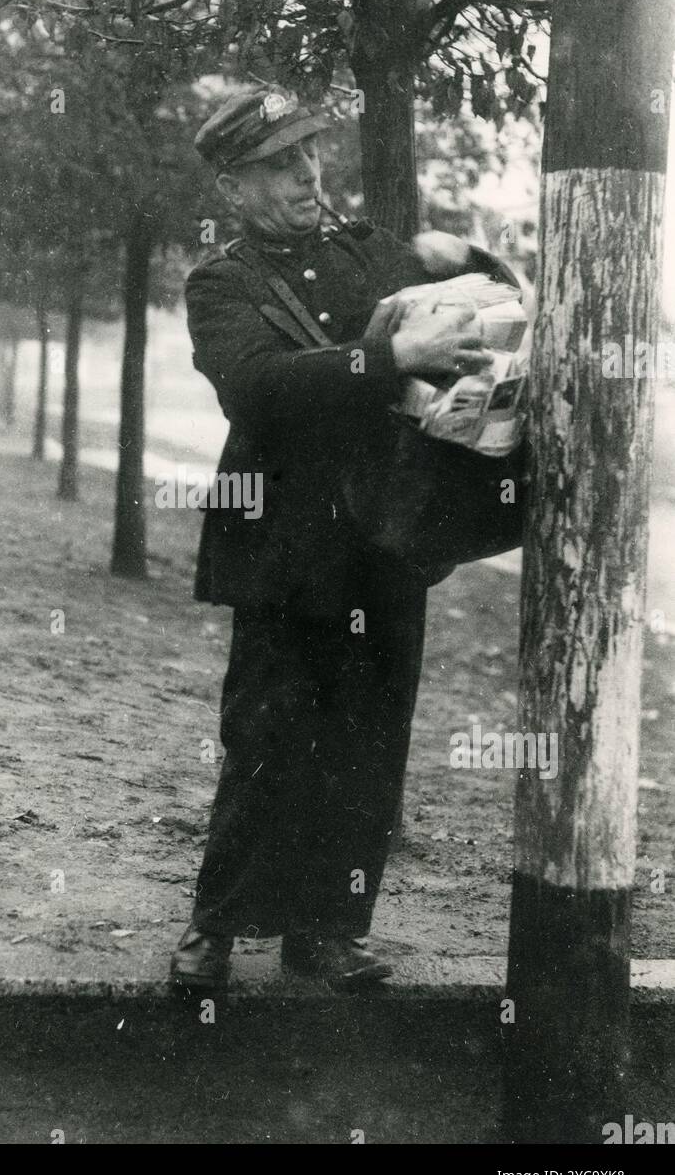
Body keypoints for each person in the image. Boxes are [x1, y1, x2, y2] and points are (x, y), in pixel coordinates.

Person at [170, 85, 519, 991]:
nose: (305, 175)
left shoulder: (371, 252)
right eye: (280, 164)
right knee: (265, 737)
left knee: (368, 744)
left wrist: (466, 255)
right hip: (282, 547)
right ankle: (215, 928)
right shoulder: (222, 281)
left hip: (385, 537)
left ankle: (328, 929)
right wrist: (390, 359)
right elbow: (258, 389)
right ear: (234, 188)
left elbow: (486, 302)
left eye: (310, 155)